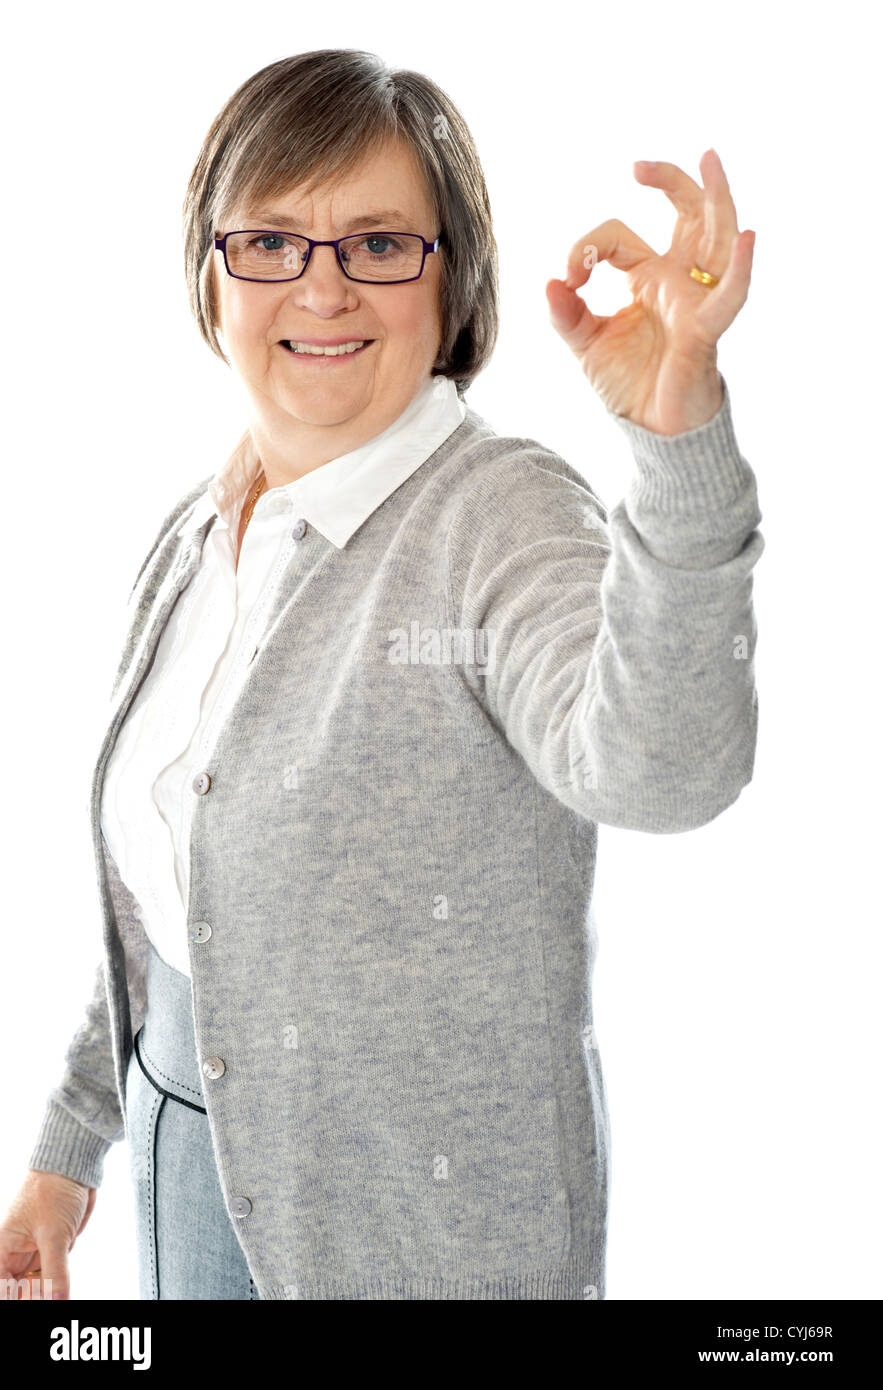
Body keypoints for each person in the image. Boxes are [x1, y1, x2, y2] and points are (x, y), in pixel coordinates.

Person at [0, 48, 762, 1301]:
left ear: (449, 277)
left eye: (377, 243)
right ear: (213, 273)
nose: (322, 286)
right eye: (272, 242)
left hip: (419, 1239)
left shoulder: (498, 517)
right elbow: (175, 885)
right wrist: (71, 1141)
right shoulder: (203, 528)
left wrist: (676, 442)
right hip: (188, 1169)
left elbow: (665, 768)